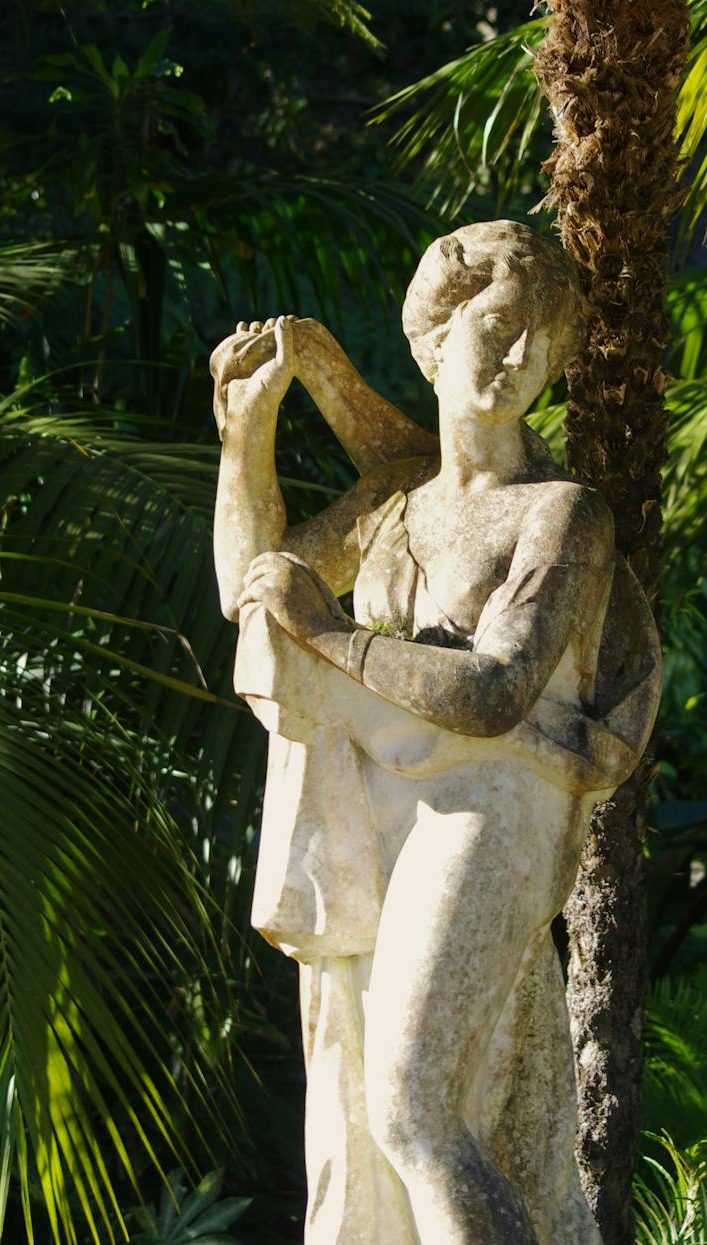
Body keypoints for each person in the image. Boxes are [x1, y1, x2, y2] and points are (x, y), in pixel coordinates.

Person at [211, 220, 658, 1245]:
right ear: (435, 339)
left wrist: (333, 637)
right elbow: (253, 593)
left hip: (500, 792)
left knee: (411, 1105)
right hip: (386, 791)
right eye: (497, 329)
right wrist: (246, 437)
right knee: (383, 1111)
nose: (513, 360)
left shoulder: (560, 512)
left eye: (538, 347)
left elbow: (498, 691)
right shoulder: (391, 502)